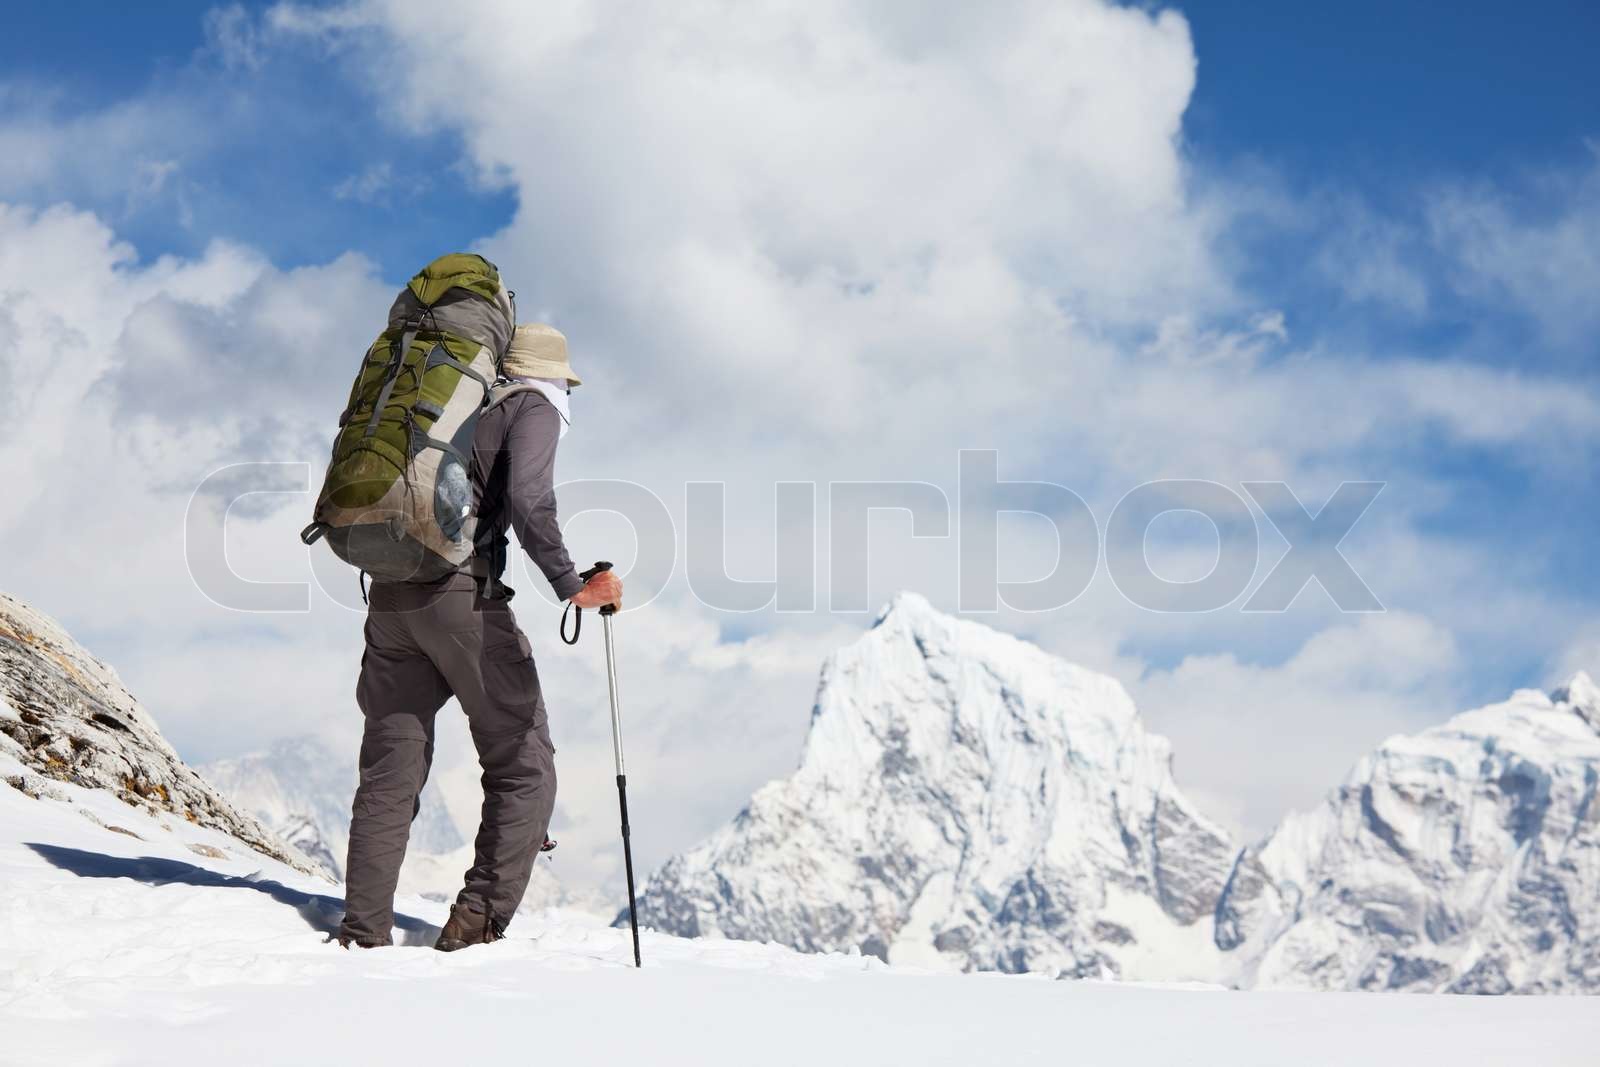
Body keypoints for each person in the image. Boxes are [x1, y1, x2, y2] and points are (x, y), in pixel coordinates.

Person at [338, 322, 622, 951]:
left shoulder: (448, 408)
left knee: (389, 771)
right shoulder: (533, 406)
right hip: (460, 597)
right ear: (550, 377)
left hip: (390, 596)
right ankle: (473, 929)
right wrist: (571, 584)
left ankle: (361, 934)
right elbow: (529, 498)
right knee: (524, 763)